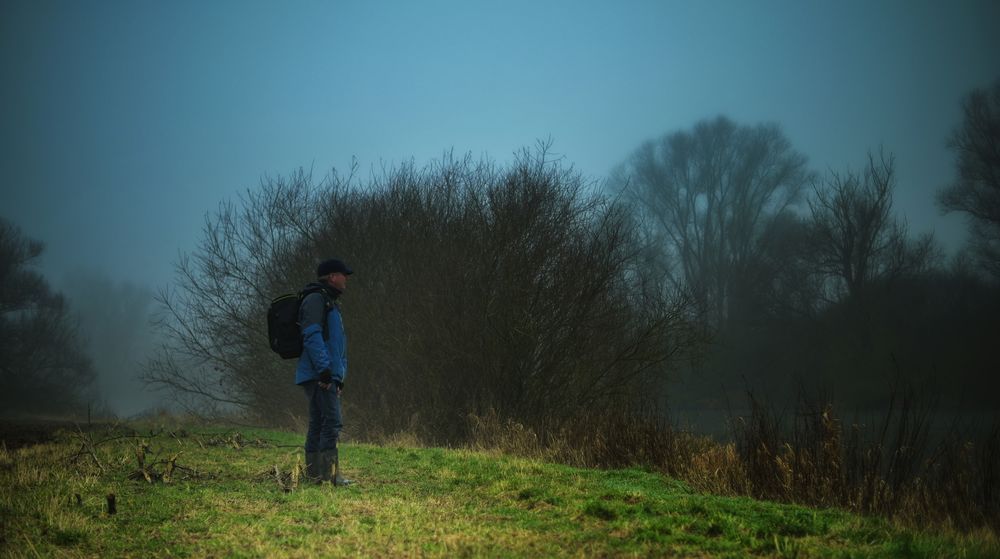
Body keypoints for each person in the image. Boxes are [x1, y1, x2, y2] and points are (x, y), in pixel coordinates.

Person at [297, 258, 353, 486]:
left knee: (320, 422)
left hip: (327, 374)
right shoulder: (316, 300)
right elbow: (312, 336)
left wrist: (339, 377)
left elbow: (338, 346)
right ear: (332, 277)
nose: (346, 278)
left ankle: (315, 476)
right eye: (343, 274)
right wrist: (324, 371)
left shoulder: (330, 302)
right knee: (331, 422)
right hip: (319, 374)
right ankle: (329, 476)